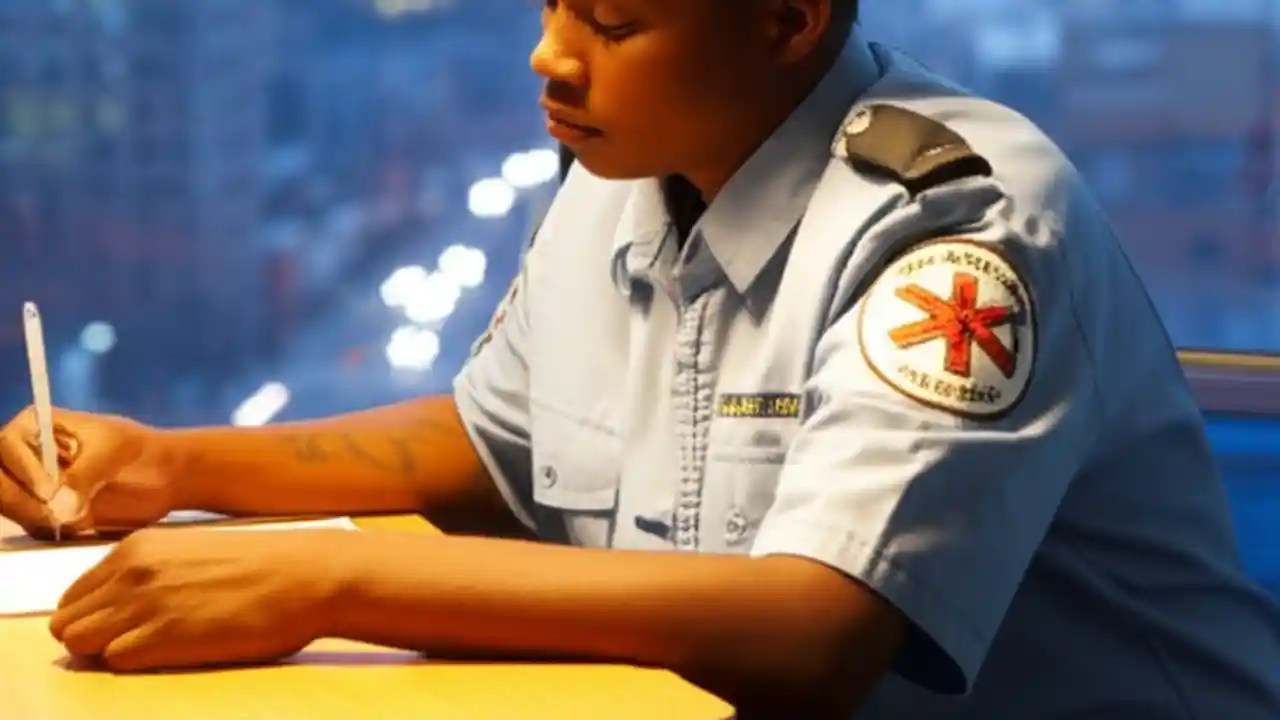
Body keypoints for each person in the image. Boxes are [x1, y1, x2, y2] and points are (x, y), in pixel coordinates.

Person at [2, 1, 1279, 717]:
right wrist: (172, 464)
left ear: (786, 18)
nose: (549, 55)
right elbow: (494, 441)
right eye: (553, 2)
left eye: (613, 18)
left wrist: (326, 583)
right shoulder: (628, 165)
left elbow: (814, 632)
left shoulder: (952, 223)